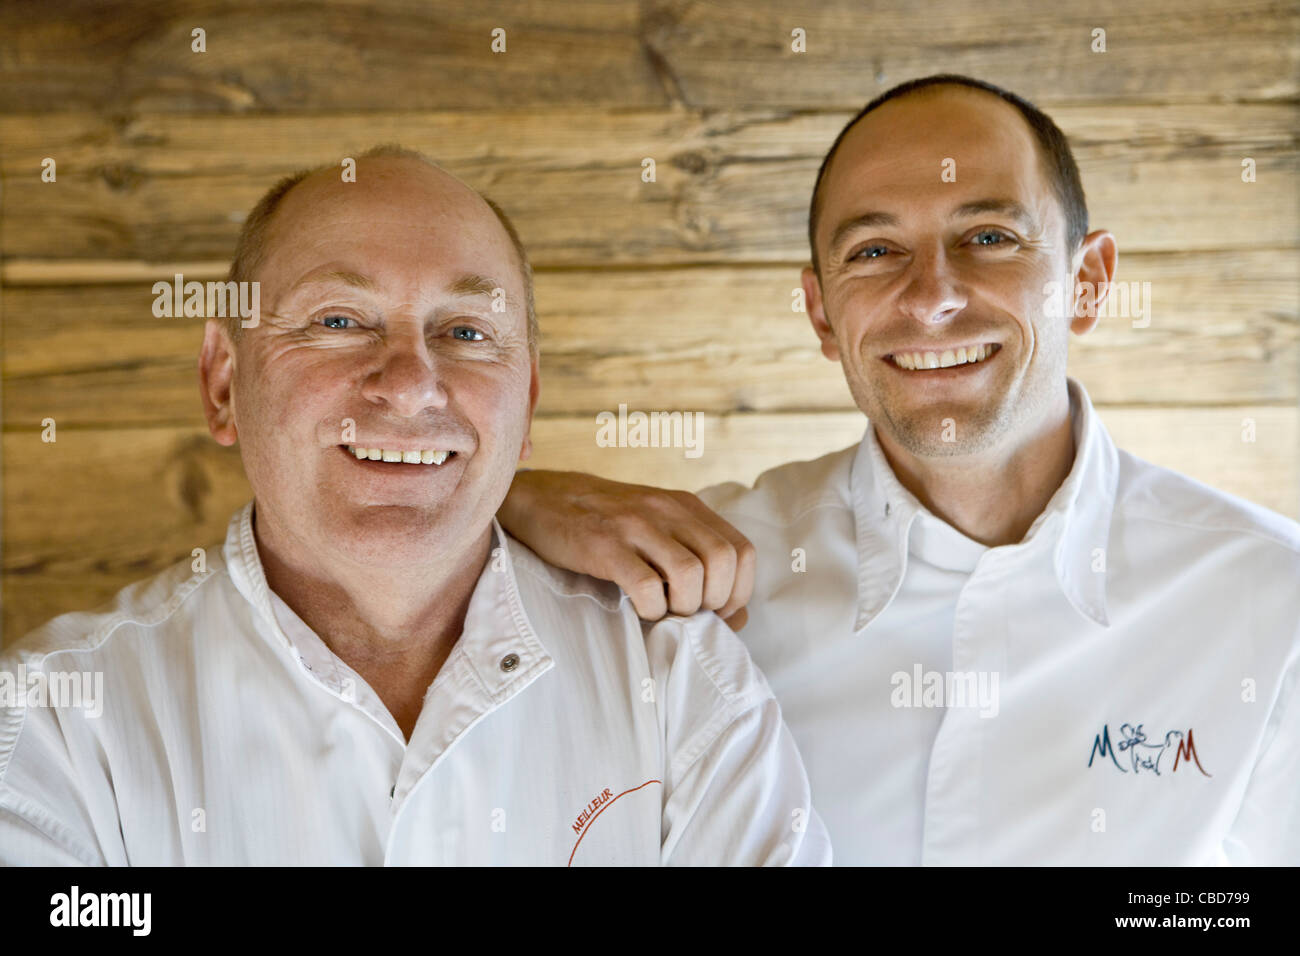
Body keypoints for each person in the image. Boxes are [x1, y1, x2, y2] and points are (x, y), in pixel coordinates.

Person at [499, 76, 1300, 865]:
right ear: (822, 313)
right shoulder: (687, 575)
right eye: (875, 251)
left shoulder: (1273, 597)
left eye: (988, 237)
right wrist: (502, 503)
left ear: (1086, 284)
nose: (931, 298)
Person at [0, 146, 830, 866]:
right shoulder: (56, 725)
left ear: (528, 400)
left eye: (467, 332)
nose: (410, 382)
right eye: (338, 319)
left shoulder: (681, 684)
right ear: (223, 383)